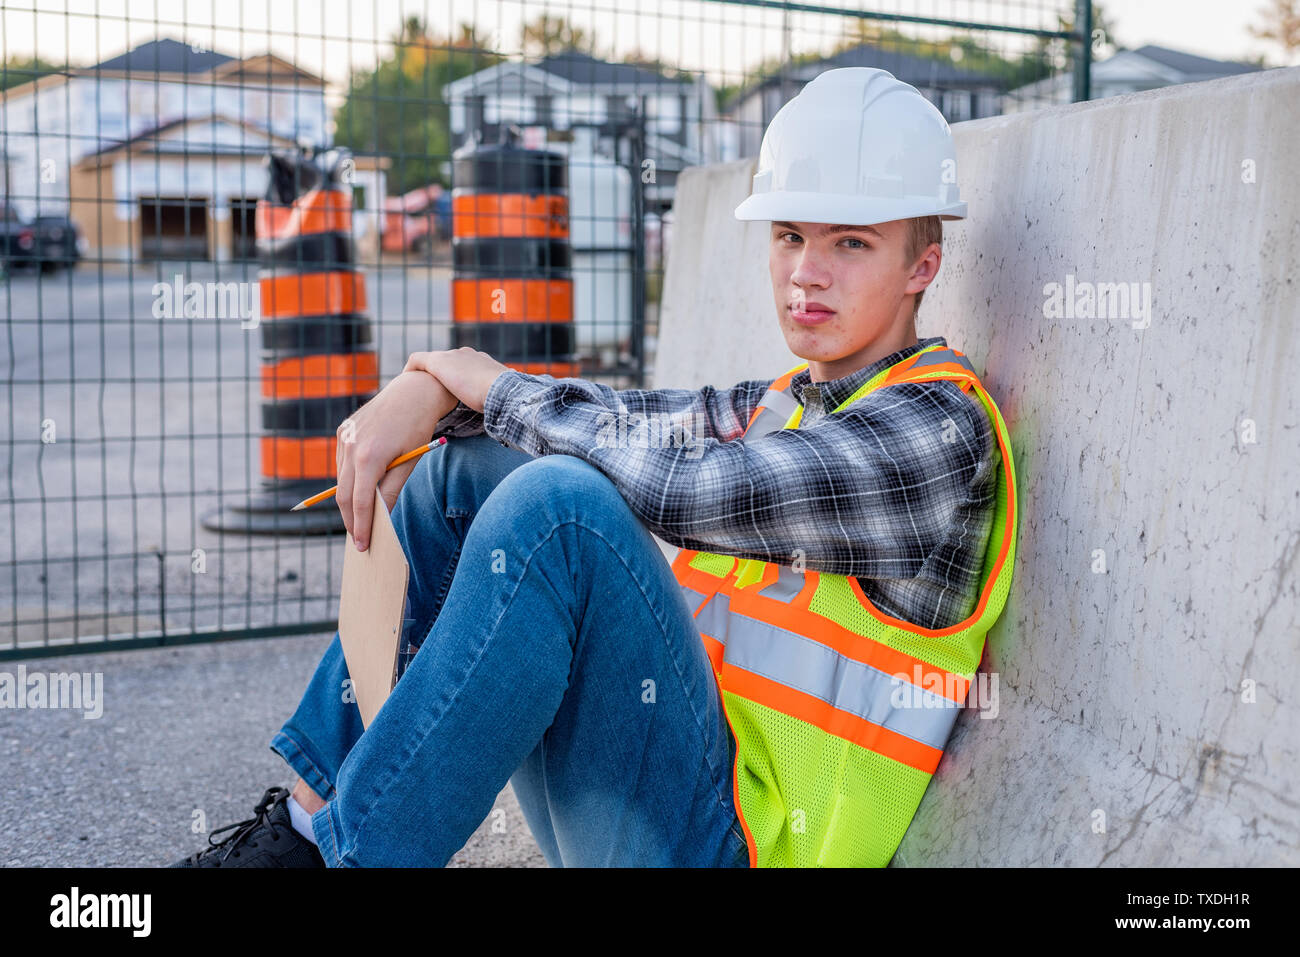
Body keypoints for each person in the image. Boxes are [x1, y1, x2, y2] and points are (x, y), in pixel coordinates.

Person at [171, 66, 1016, 868]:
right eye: (790, 235)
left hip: (742, 848)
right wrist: (440, 390)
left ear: (922, 267)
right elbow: (619, 419)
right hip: (657, 792)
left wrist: (488, 385)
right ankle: (301, 828)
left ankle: (348, 854)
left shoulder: (937, 434)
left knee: (562, 509)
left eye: (851, 243)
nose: (805, 272)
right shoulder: (783, 403)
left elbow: (684, 487)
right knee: (472, 474)